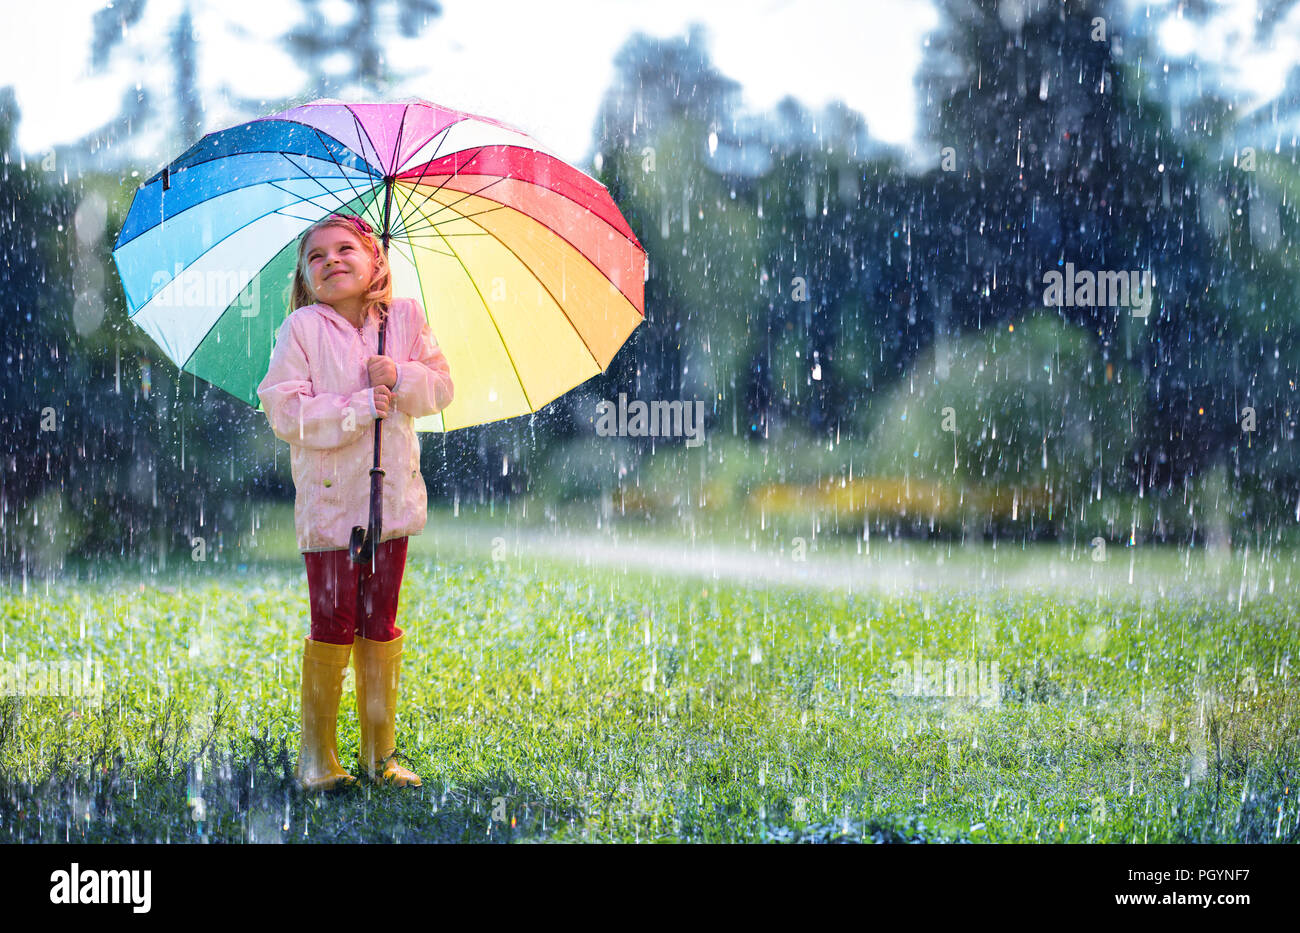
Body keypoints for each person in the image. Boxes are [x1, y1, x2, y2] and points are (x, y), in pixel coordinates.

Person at [256, 213, 453, 791]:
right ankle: (317, 759)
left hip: (389, 507)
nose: (331, 261)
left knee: (379, 620)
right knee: (334, 622)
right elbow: (285, 411)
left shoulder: (405, 320)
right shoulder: (301, 330)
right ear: (306, 276)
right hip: (331, 510)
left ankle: (379, 755)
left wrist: (401, 374)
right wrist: (354, 407)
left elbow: (441, 389)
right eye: (316, 257)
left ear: (377, 262)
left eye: (346, 249)